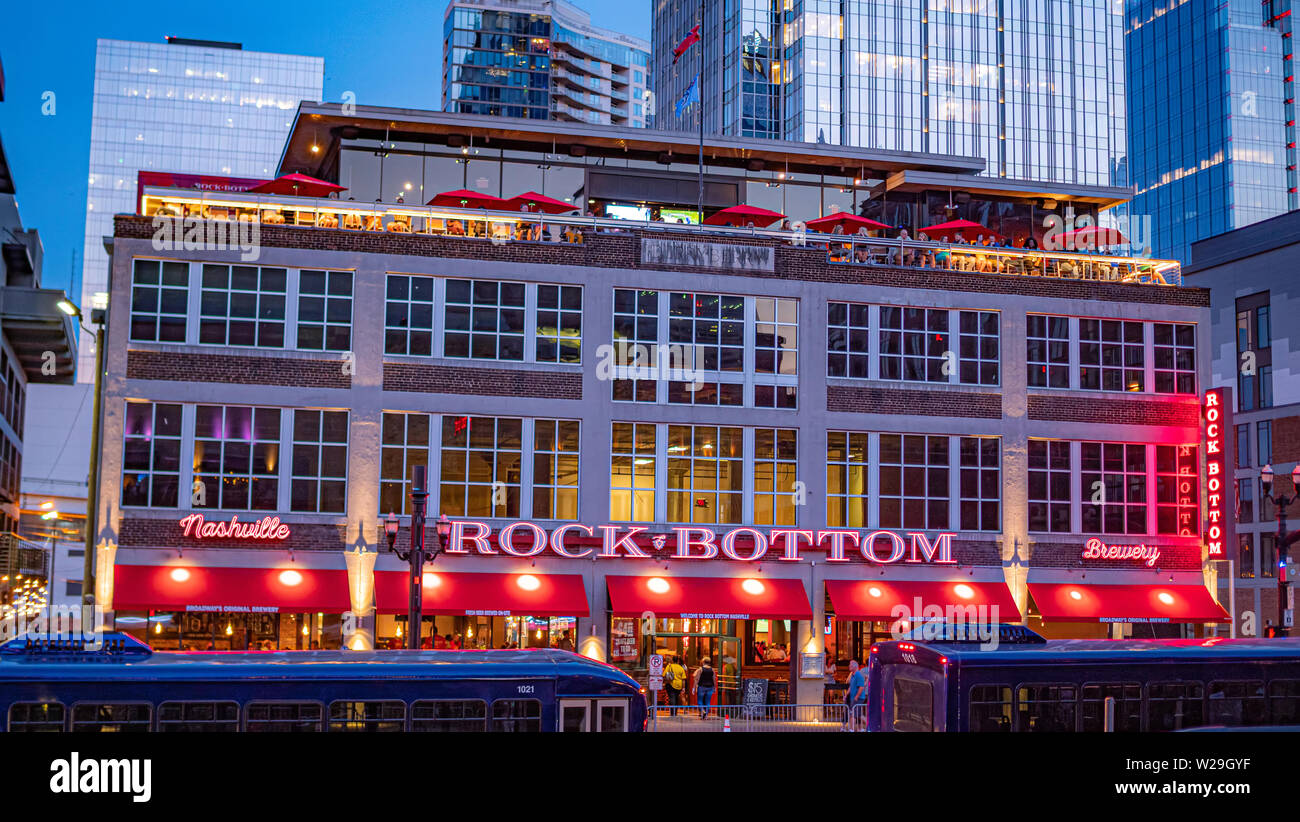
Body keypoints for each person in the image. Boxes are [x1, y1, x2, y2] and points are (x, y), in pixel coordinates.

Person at [845, 659, 867, 730]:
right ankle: (857, 729)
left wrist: (857, 696)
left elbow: (861, 687)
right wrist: (846, 695)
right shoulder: (853, 675)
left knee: (854, 714)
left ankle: (852, 729)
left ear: (855, 667)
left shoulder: (858, 675)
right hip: (854, 697)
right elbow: (851, 687)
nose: (849, 666)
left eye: (850, 665)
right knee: (856, 714)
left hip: (858, 698)